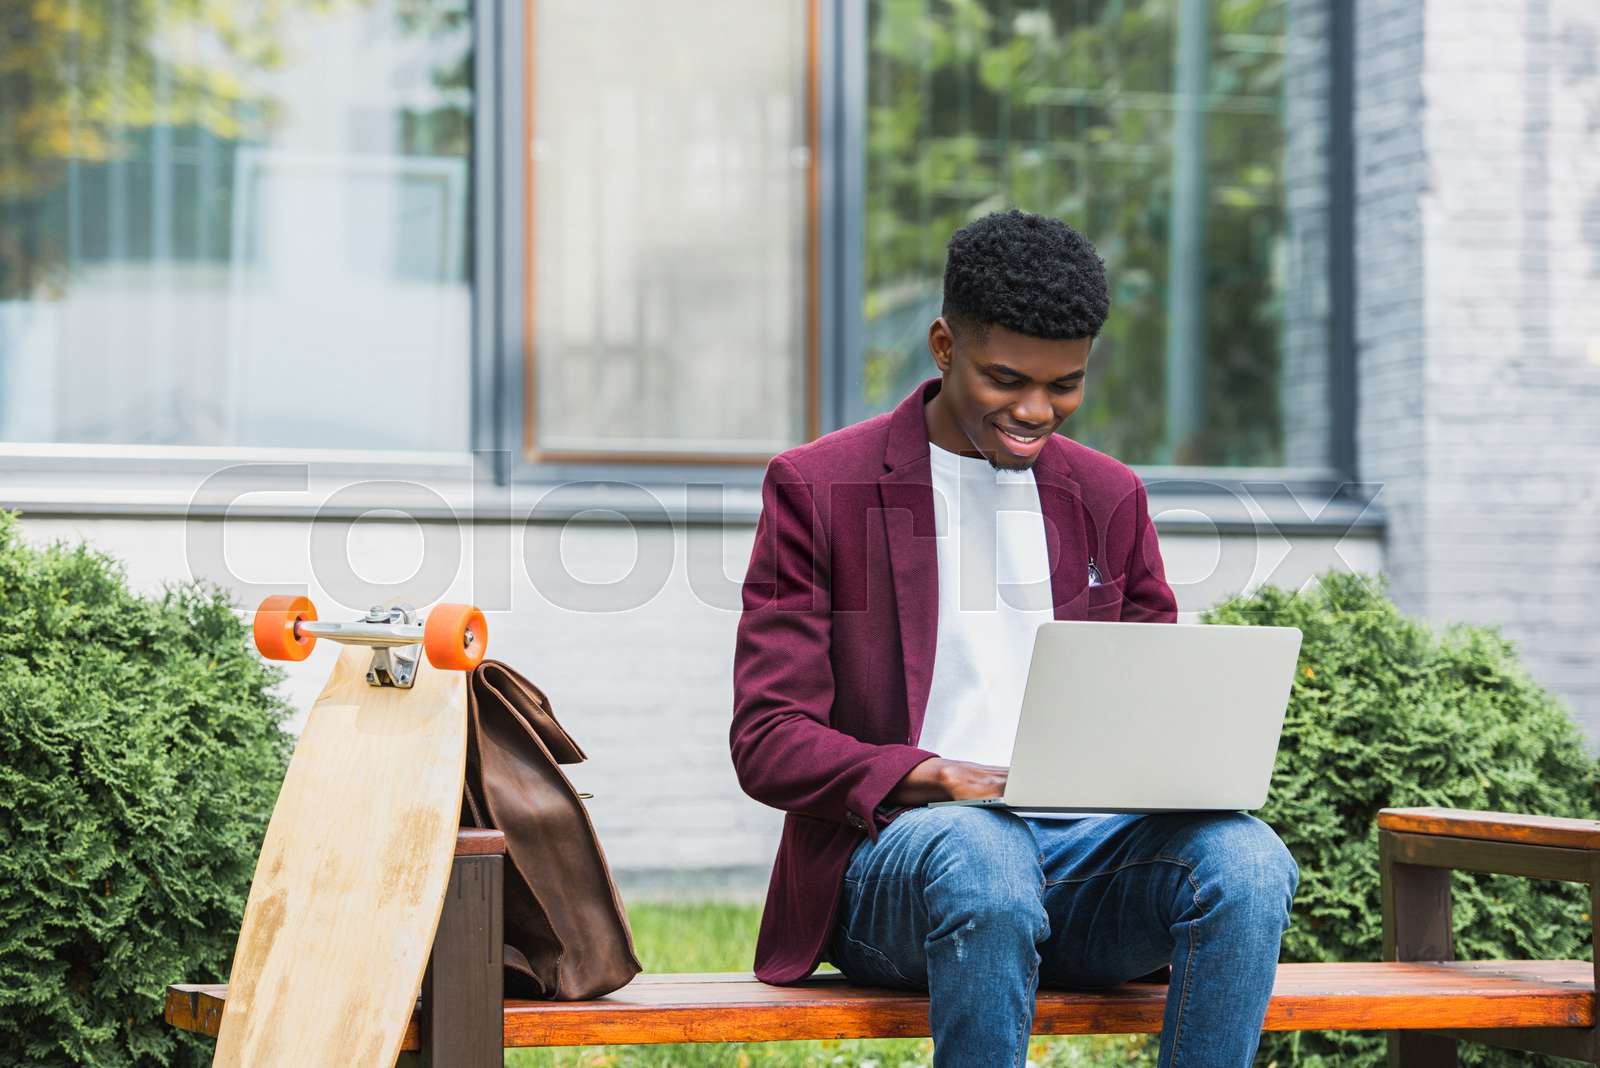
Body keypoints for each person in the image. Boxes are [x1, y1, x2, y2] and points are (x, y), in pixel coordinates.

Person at [729, 209, 1298, 1066]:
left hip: (1083, 865)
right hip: (901, 867)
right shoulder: (819, 487)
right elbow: (768, 739)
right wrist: (929, 775)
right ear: (945, 346)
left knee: (1248, 861)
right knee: (983, 849)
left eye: (1065, 384)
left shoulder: (1109, 495)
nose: (1037, 410)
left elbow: (1153, 697)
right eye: (1006, 379)